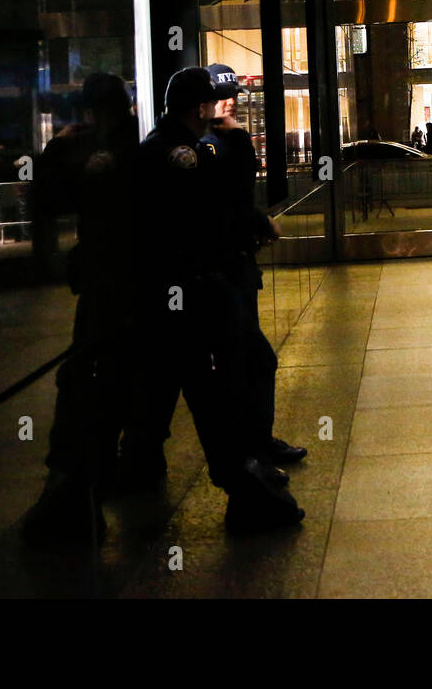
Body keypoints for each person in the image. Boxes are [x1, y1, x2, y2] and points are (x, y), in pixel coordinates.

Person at [125, 66, 304, 533]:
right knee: (214, 387)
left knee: (173, 381)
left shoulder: (159, 147)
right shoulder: (184, 154)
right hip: (193, 288)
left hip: (169, 291)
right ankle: (243, 480)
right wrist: (253, 226)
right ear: (200, 107)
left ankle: (148, 465)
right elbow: (213, 208)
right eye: (211, 103)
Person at [21, 74, 140, 546]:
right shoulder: (136, 142)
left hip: (109, 283)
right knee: (120, 376)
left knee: (86, 378)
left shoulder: (95, 149)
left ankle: (78, 476)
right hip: (135, 281)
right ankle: (125, 462)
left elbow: (49, 198)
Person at [202, 64, 308, 479]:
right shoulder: (211, 145)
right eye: (219, 96)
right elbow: (230, 196)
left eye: (233, 95)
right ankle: (247, 455)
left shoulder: (211, 142)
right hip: (219, 272)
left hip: (229, 268)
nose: (228, 102)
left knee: (242, 361)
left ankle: (250, 449)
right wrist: (261, 225)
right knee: (247, 361)